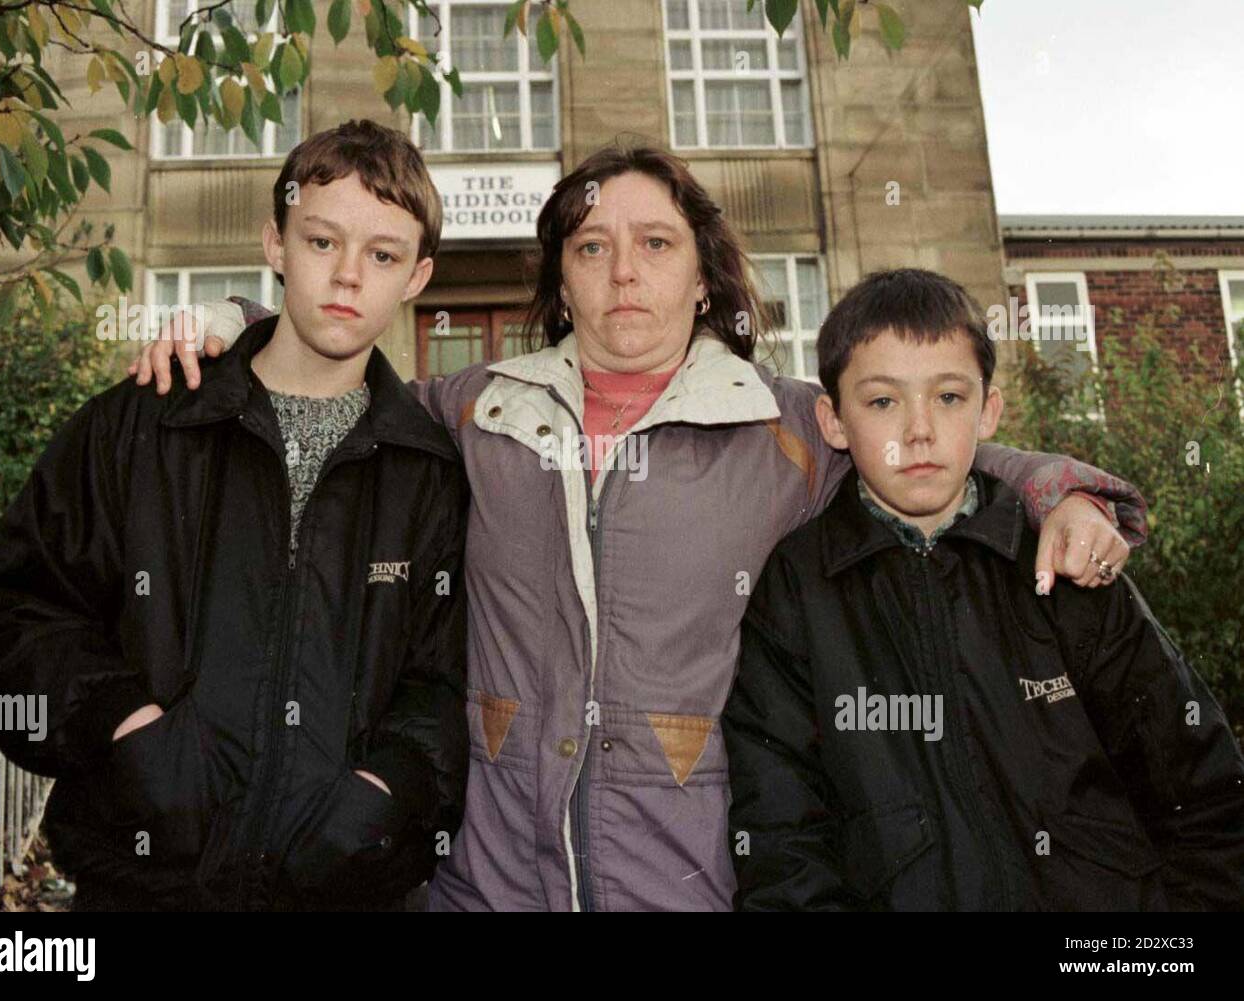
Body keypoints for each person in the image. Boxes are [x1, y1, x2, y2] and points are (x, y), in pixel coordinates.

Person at [131, 143, 1147, 911]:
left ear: (700, 272)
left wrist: (1064, 490)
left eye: (654, 244)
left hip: (688, 876)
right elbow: (328, 369)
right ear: (560, 278)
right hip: (484, 884)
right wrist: (233, 321)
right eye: (591, 247)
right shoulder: (472, 408)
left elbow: (932, 447)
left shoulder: (783, 422)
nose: (624, 273)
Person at [0, 120, 470, 911]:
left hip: (339, 892)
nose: (346, 277)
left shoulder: (430, 472)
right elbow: (11, 611)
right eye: (321, 241)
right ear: (275, 244)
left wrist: (381, 793)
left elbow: (442, 684)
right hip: (143, 886)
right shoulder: (146, 421)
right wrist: (125, 725)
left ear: (417, 277)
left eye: (382, 255)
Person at [722, 268, 1244, 911]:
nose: (919, 430)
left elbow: (1207, 796)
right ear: (833, 420)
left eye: (948, 397)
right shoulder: (796, 595)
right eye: (882, 401)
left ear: (988, 410)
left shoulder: (1065, 566)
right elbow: (782, 848)